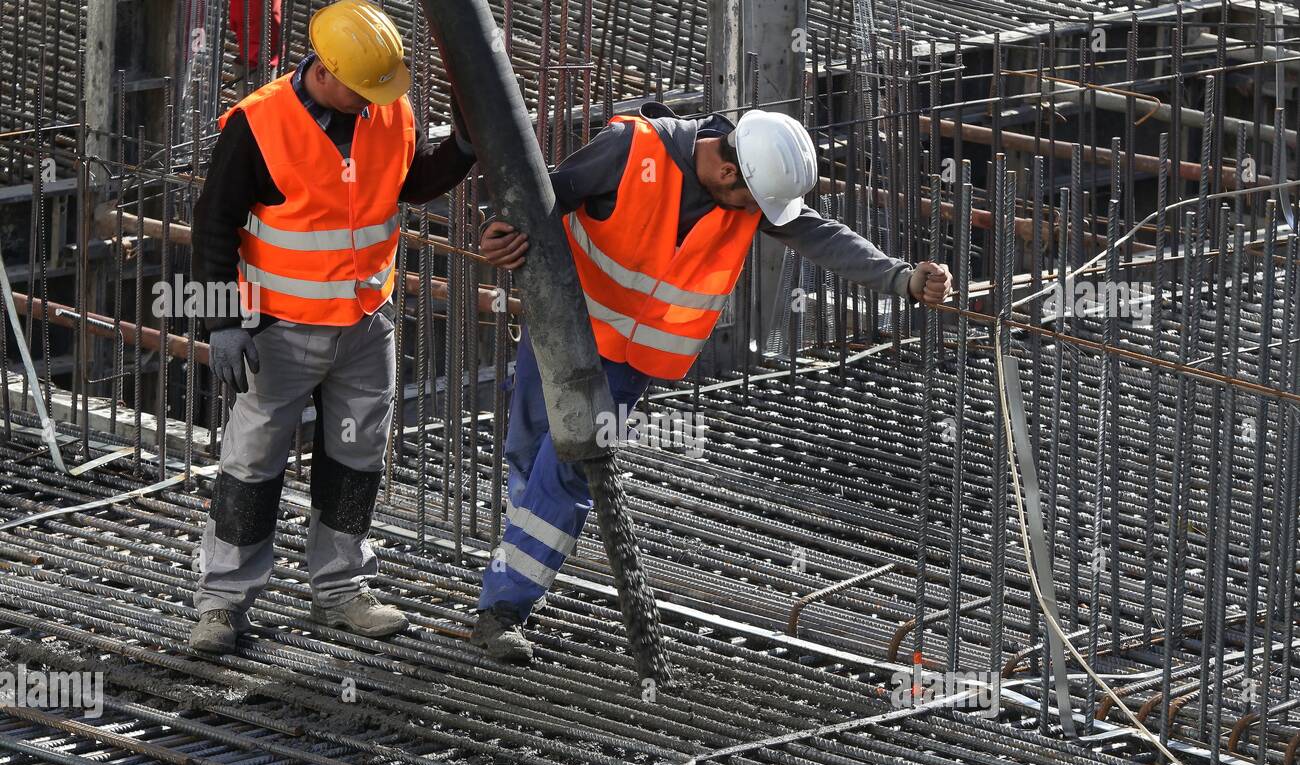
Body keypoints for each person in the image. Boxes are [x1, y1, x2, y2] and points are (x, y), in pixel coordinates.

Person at [470, 103, 954, 664]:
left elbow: (819, 235)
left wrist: (899, 276)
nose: (759, 215)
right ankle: (517, 563)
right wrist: (499, 230)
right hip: (562, 327)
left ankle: (502, 608)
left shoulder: (746, 186)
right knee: (529, 462)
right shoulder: (630, 151)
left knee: (569, 470)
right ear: (729, 173)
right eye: (753, 201)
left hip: (630, 361)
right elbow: (542, 196)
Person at [188, 0, 514, 653]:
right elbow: (213, 224)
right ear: (326, 72)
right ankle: (223, 604)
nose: (372, 101)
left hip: (366, 325)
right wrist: (221, 320)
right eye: (361, 89)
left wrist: (463, 151)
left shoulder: (385, 108)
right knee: (251, 465)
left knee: (356, 459)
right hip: (277, 331)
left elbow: (408, 183)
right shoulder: (259, 124)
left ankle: (342, 590)